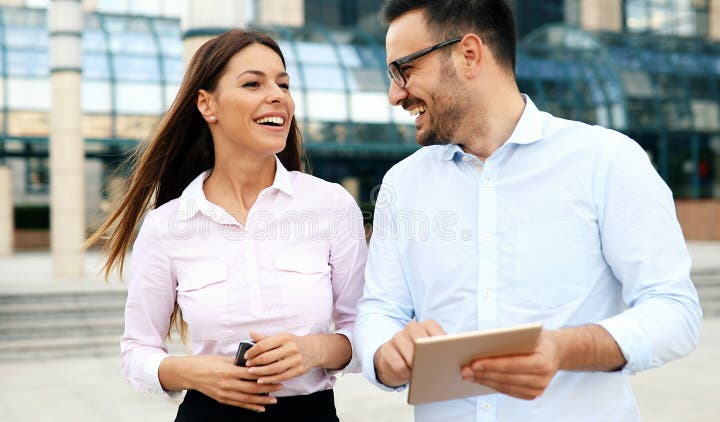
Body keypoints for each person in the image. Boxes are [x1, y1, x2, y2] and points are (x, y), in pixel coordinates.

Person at [354, 1, 703, 421]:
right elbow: (380, 310)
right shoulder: (401, 185)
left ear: (469, 55)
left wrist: (563, 349)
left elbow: (674, 309)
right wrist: (383, 355)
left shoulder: (608, 161)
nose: (395, 94)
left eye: (403, 70)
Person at [86, 30, 366, 421]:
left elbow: (365, 330)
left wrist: (314, 350)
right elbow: (137, 351)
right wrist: (190, 372)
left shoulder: (330, 205)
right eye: (253, 83)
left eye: (283, 84)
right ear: (207, 104)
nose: (277, 95)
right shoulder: (167, 226)